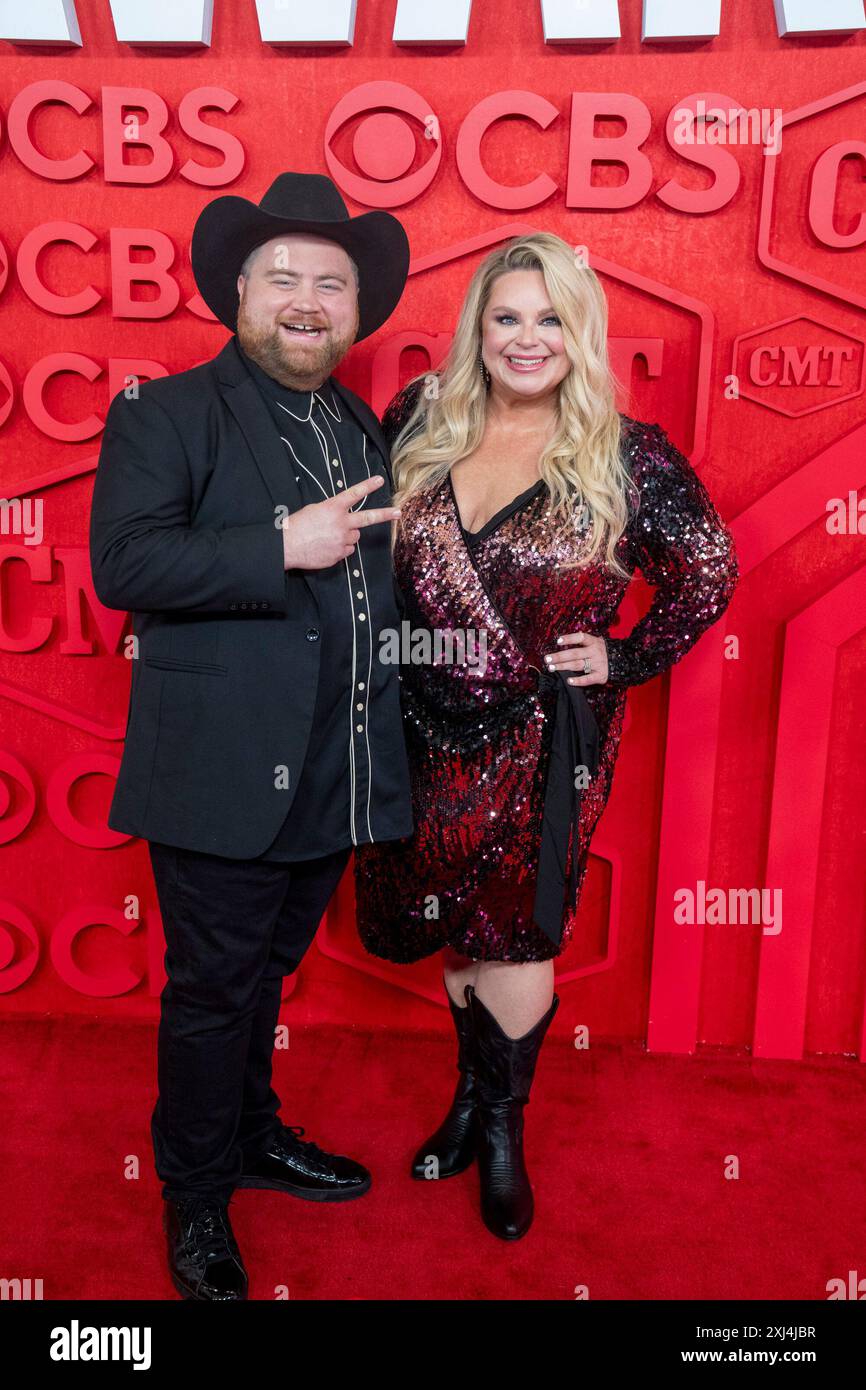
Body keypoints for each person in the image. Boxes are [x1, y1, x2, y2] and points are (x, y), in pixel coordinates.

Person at [353, 231, 740, 1241]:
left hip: (540, 735)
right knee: (449, 914)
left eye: (550, 318)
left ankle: (501, 1135)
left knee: (513, 927)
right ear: (477, 328)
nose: (527, 338)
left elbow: (704, 570)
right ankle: (468, 1096)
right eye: (506, 316)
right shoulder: (417, 423)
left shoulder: (625, 453)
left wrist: (623, 658)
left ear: (581, 332)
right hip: (418, 722)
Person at [89, 173, 413, 1300]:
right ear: (239, 290)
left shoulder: (355, 421)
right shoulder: (163, 413)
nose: (309, 300)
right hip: (221, 765)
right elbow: (123, 564)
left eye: (332, 282)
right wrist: (281, 542)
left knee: (267, 975)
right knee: (214, 990)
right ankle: (192, 1197)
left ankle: (250, 1134)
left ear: (356, 309)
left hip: (334, 764)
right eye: (285, 278)